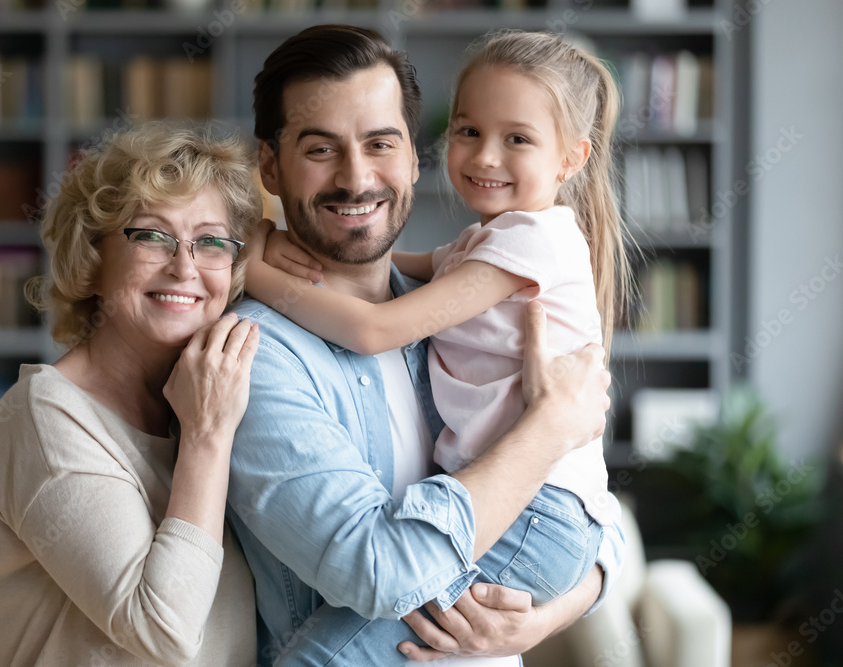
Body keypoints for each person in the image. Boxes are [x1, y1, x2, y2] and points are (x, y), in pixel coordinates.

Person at [226, 25, 623, 665]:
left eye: (380, 143)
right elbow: (382, 573)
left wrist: (550, 617)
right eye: (321, 148)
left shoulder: (449, 295)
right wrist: (549, 429)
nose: (356, 179)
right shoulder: (258, 351)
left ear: (413, 156)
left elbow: (602, 521)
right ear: (269, 167)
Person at [0, 122, 262, 666]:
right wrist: (207, 436)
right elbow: (162, 634)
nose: (185, 266)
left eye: (211, 241)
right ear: (94, 258)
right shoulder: (46, 419)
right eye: (152, 235)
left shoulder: (200, 394)